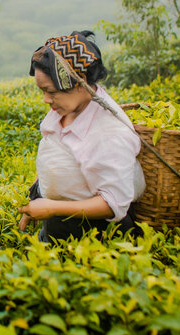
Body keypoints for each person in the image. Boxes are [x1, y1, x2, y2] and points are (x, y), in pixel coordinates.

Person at [18, 30, 145, 242]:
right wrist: (38, 194)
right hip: (58, 228)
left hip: (94, 238)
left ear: (80, 81)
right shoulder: (69, 108)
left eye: (51, 91)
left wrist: (51, 208)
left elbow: (113, 203)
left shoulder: (109, 132)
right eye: (42, 91)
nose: (46, 100)